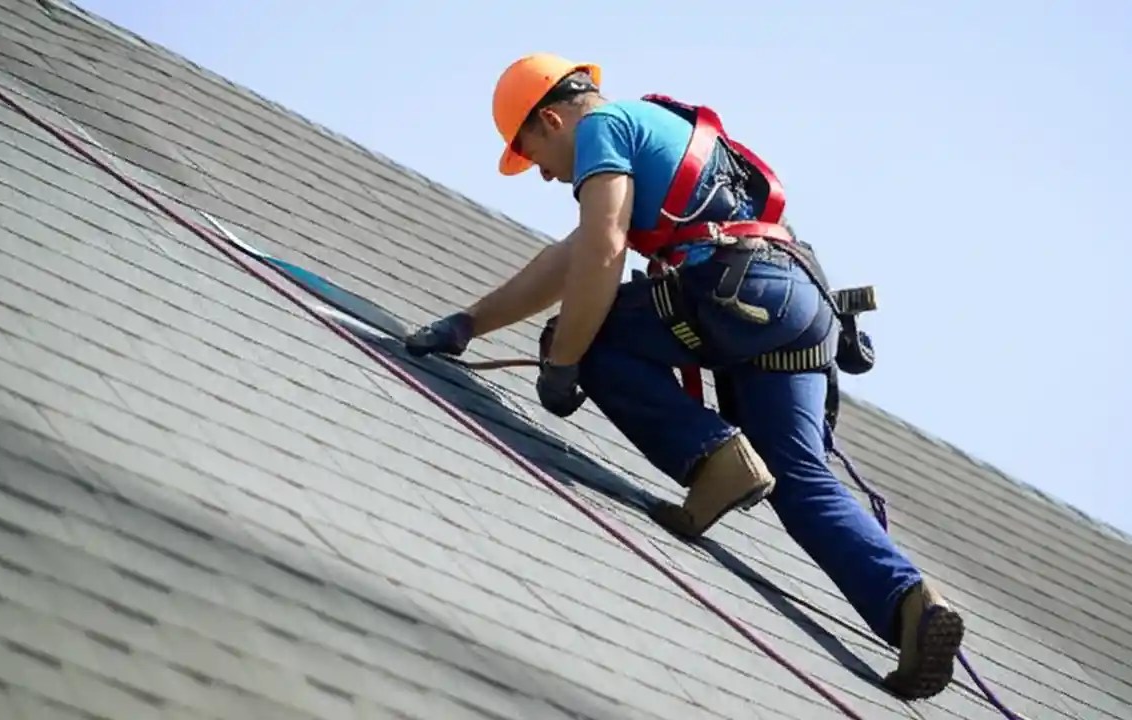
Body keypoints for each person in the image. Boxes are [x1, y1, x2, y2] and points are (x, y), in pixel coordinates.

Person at [404, 52, 965, 699]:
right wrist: (470, 322)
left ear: (551, 120)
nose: (546, 179)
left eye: (532, 157)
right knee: (800, 478)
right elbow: (572, 255)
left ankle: (712, 459)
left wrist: (563, 365)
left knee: (582, 331)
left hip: (738, 295)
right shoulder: (648, 126)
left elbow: (603, 250)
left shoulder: (601, 130)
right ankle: (913, 606)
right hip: (796, 303)